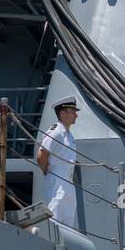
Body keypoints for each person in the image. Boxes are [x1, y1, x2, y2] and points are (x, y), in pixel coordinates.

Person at [37, 96, 79, 227]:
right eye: (72, 112)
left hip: (68, 183)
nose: (76, 115)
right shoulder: (56, 132)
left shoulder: (69, 134)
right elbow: (41, 154)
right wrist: (47, 171)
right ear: (62, 113)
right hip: (57, 181)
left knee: (68, 222)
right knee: (55, 220)